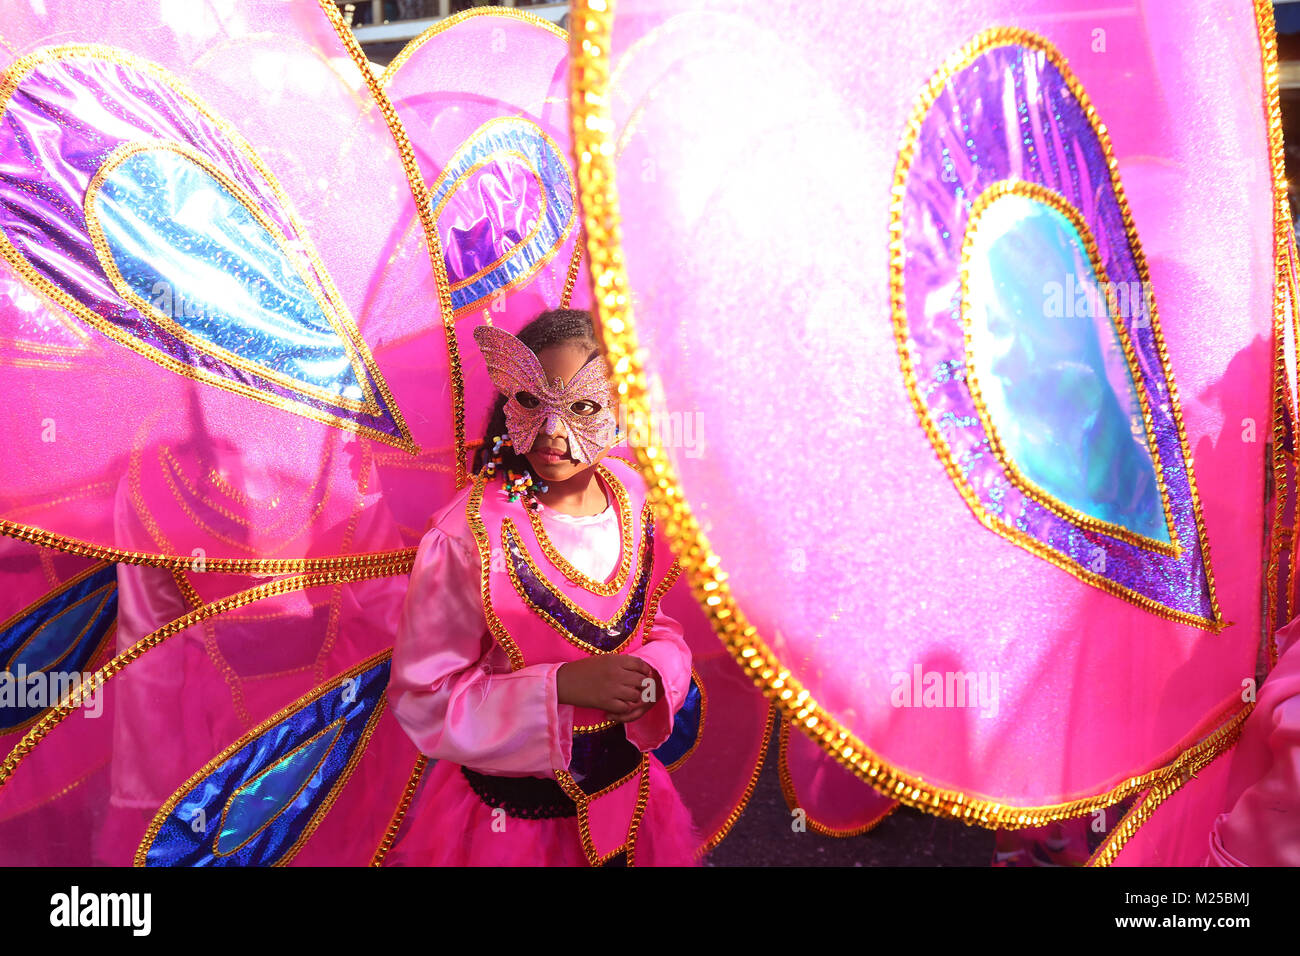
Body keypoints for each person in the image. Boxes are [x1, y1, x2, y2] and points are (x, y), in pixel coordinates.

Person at [385, 308, 700, 866]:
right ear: (510, 397)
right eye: (534, 403)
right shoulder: (466, 537)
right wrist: (560, 687)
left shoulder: (636, 501)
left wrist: (653, 675)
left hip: (630, 805)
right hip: (510, 829)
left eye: (582, 407)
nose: (554, 432)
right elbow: (426, 695)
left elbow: (657, 625)